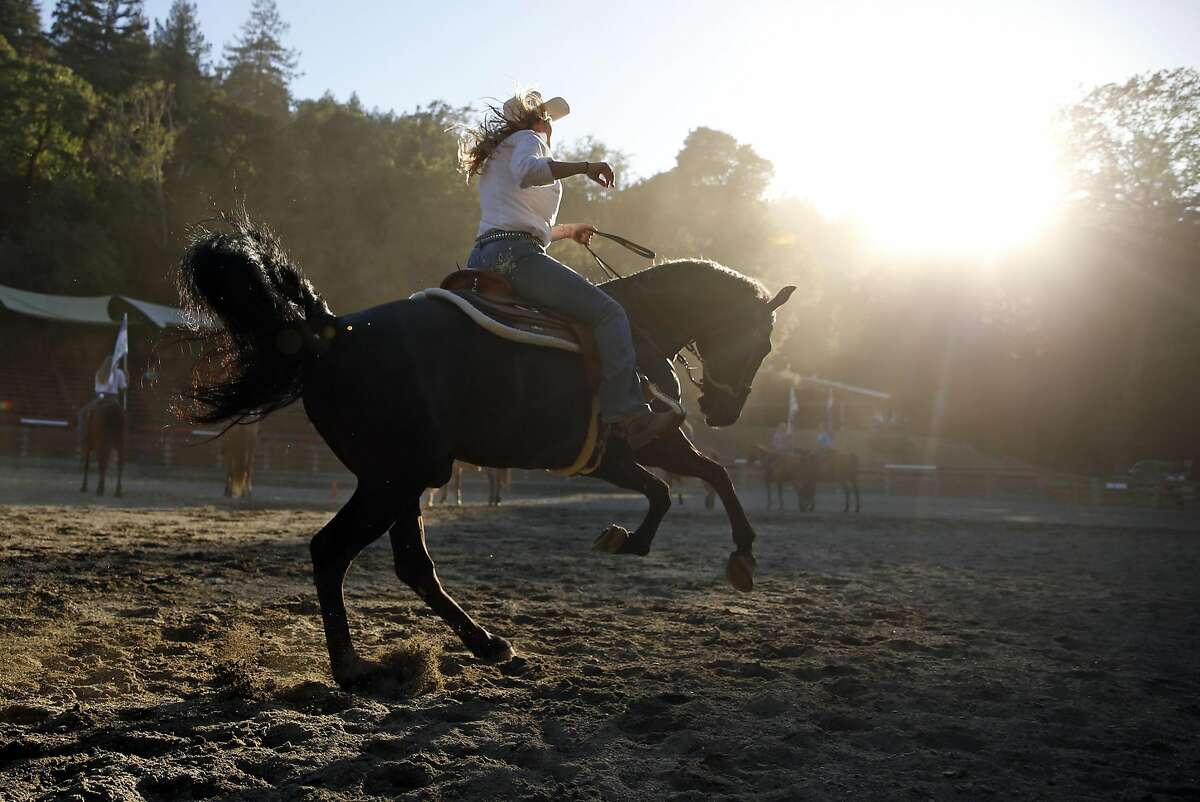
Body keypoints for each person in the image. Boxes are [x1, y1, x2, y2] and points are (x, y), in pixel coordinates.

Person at [457, 89, 680, 449]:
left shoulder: (501, 152)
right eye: (548, 119)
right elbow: (530, 173)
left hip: (482, 257)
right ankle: (627, 413)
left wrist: (567, 231)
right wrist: (587, 167)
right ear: (539, 120)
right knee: (609, 314)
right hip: (516, 257)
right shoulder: (529, 140)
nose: (550, 126)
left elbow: (519, 220)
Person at [78, 355, 126, 444]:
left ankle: (82, 439)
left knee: (82, 414)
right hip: (113, 399)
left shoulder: (99, 372)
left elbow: (96, 389)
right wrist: (127, 378)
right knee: (123, 418)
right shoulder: (119, 372)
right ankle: (120, 442)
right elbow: (123, 387)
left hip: (100, 398)